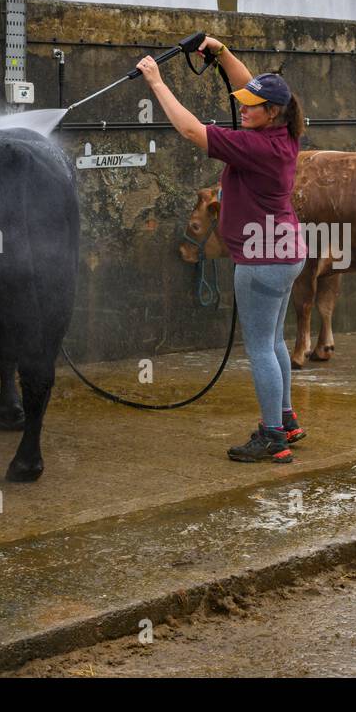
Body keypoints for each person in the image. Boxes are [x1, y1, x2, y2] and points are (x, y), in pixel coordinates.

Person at [137, 37, 308, 463]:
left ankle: (272, 436)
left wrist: (156, 82)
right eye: (244, 103)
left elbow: (192, 130)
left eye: (252, 106)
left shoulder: (255, 147)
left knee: (260, 348)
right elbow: (250, 83)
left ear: (272, 113)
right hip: (286, 251)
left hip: (262, 259)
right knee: (274, 341)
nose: (244, 108)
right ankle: (286, 418)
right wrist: (220, 50)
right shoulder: (285, 133)